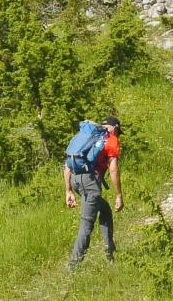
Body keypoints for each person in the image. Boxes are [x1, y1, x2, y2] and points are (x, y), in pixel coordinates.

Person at [64, 115, 122, 269]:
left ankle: (110, 251)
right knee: (87, 223)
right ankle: (73, 266)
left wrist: (68, 191)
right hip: (90, 182)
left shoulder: (84, 137)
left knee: (105, 210)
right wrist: (118, 195)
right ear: (115, 128)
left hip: (76, 180)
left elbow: (68, 165)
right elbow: (113, 169)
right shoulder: (110, 139)